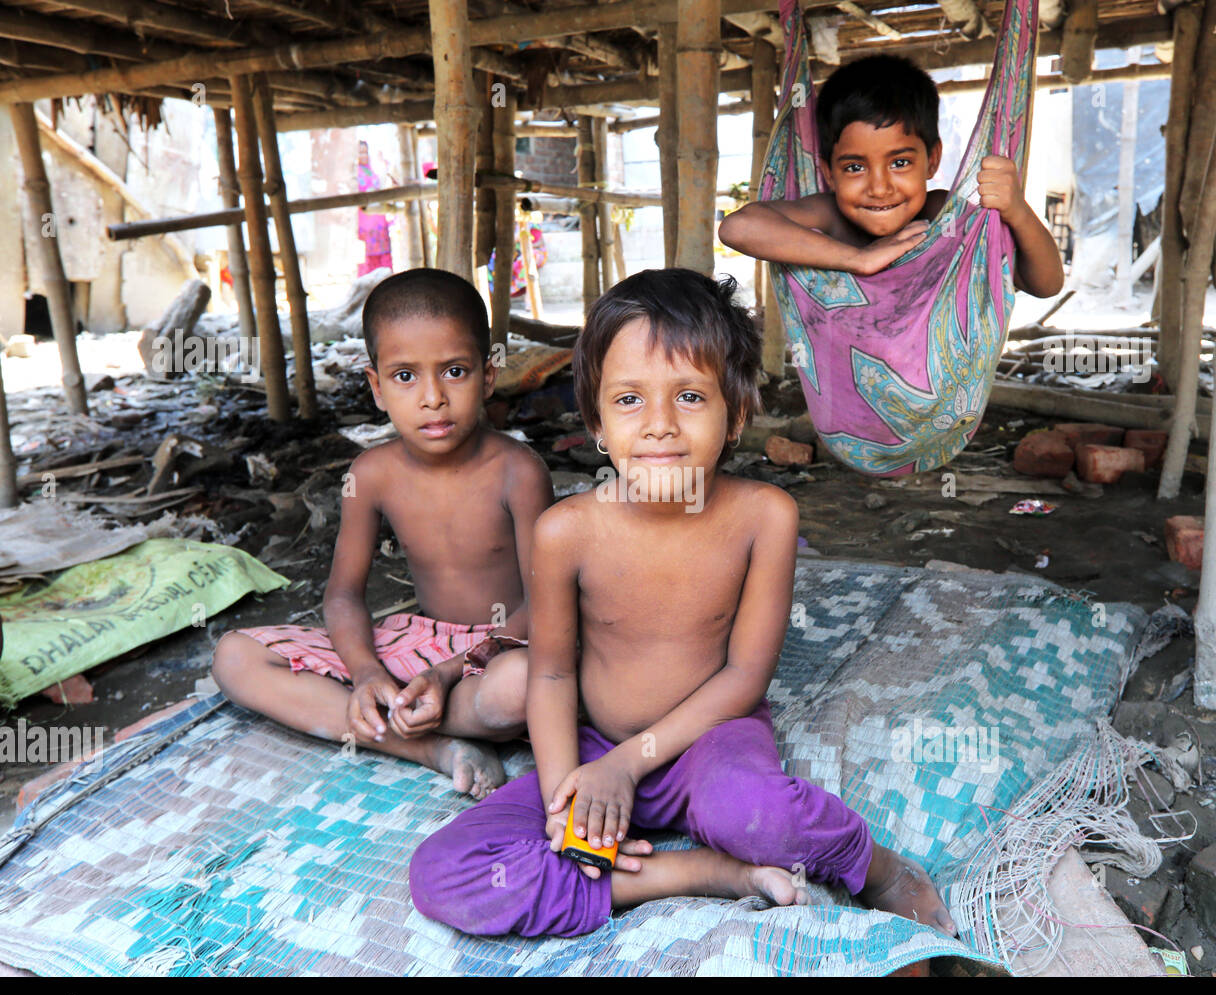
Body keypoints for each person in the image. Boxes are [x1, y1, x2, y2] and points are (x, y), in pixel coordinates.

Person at [408, 269, 957, 937]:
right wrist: (568, 796)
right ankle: (705, 873)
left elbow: (744, 678)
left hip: (709, 745)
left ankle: (880, 869)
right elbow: (549, 674)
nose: (661, 426)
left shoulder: (765, 517)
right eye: (631, 399)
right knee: (448, 872)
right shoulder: (566, 532)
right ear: (597, 422)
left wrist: (626, 764)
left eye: (691, 396)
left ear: (737, 416)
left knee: (762, 818)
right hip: (589, 743)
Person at [212, 269, 554, 799]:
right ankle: (431, 747)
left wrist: (445, 675)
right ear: (376, 386)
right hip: (411, 647)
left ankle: (402, 717)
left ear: (488, 378)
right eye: (405, 377)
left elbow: (544, 607)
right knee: (234, 658)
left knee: (524, 686)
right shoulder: (369, 474)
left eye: (455, 371)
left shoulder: (519, 471)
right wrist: (368, 672)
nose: (432, 397)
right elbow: (344, 597)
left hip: (493, 653)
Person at [718, 54, 1064, 297]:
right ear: (829, 173)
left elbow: (1043, 284)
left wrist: (1017, 210)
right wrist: (858, 259)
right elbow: (738, 227)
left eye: (899, 163)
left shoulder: (942, 214)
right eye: (855, 167)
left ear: (932, 160)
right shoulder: (829, 216)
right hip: (842, 399)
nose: (880, 188)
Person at [356, 140, 394, 276]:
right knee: (365, 259)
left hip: (379, 220)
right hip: (363, 222)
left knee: (383, 259)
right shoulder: (354, 174)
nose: (363, 155)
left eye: (365, 152)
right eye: (360, 152)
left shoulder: (373, 170)